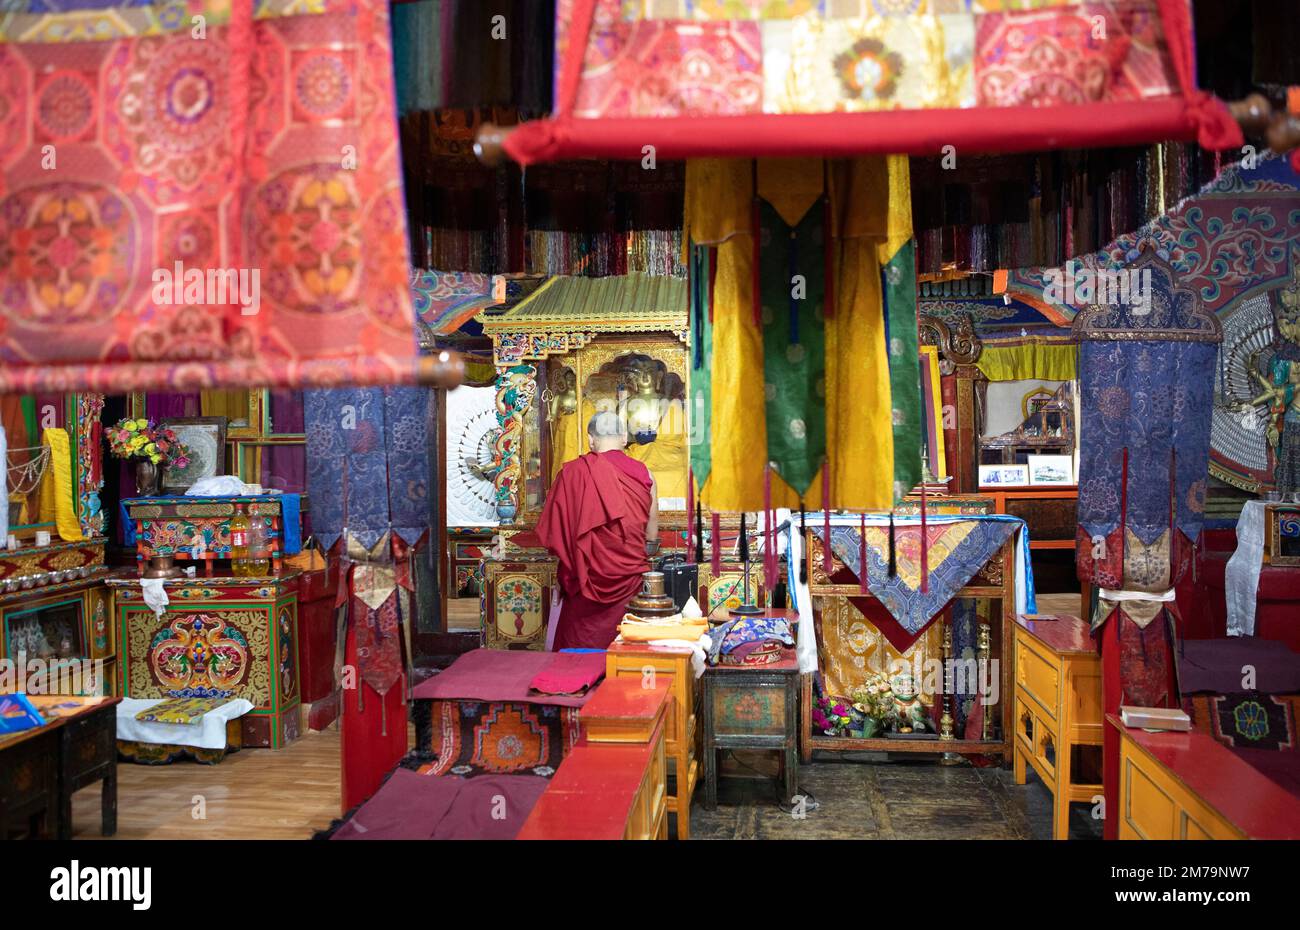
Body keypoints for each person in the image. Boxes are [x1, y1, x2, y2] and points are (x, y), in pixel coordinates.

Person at [536, 411, 659, 649]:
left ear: (591, 440)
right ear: (624, 438)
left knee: (580, 643)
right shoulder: (645, 475)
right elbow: (651, 535)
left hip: (585, 578)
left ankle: (575, 675)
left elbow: (556, 532)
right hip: (629, 577)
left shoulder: (572, 474)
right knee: (624, 642)